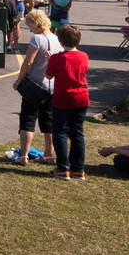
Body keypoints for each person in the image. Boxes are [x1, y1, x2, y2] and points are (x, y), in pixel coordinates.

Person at [11, 9, 61, 165]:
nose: (30, 29)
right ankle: (48, 154)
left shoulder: (36, 39)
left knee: (28, 119)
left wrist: (19, 80)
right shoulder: (56, 39)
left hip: (35, 85)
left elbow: (28, 62)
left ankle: (24, 155)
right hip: (51, 87)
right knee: (48, 122)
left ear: (35, 23)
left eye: (30, 25)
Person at [46, 24, 89, 180]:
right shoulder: (84, 56)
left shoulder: (57, 58)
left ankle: (63, 168)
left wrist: (50, 60)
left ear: (60, 41)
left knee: (60, 133)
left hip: (63, 98)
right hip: (82, 97)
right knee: (77, 133)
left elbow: (49, 76)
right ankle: (78, 168)